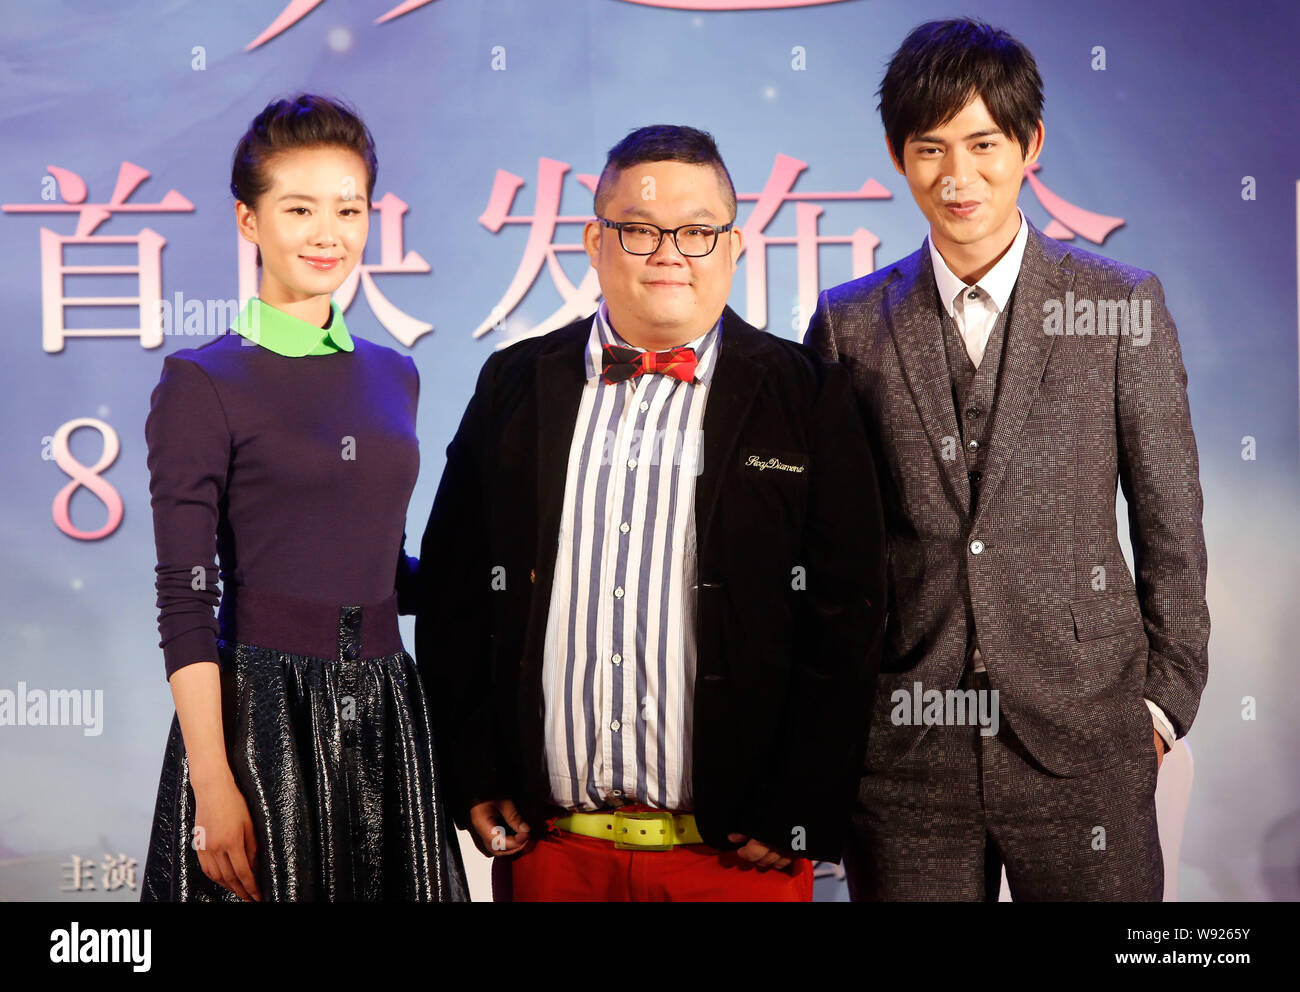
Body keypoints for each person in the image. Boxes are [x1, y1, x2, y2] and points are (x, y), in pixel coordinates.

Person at [416, 124, 886, 901]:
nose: (671, 252)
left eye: (698, 231)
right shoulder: (513, 385)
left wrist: (799, 801)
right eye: (640, 230)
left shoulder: (808, 395)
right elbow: (456, 592)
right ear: (596, 242)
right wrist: (473, 769)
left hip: (740, 855)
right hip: (552, 852)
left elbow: (851, 613)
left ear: (734, 247)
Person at [805, 18, 1210, 901]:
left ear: (1031, 144)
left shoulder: (1116, 304)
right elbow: (830, 547)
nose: (959, 177)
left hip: (1087, 743)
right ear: (895, 155)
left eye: (984, 144)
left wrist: (1160, 705)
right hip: (907, 752)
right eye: (930, 148)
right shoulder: (848, 323)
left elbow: (1170, 516)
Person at [140, 93, 467, 902]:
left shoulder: (395, 373)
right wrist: (213, 781)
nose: (329, 232)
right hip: (262, 720)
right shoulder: (203, 380)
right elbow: (185, 598)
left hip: (389, 707)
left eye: (348, 209)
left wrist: (508, 577)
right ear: (249, 222)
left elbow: (380, 567)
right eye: (299, 208)